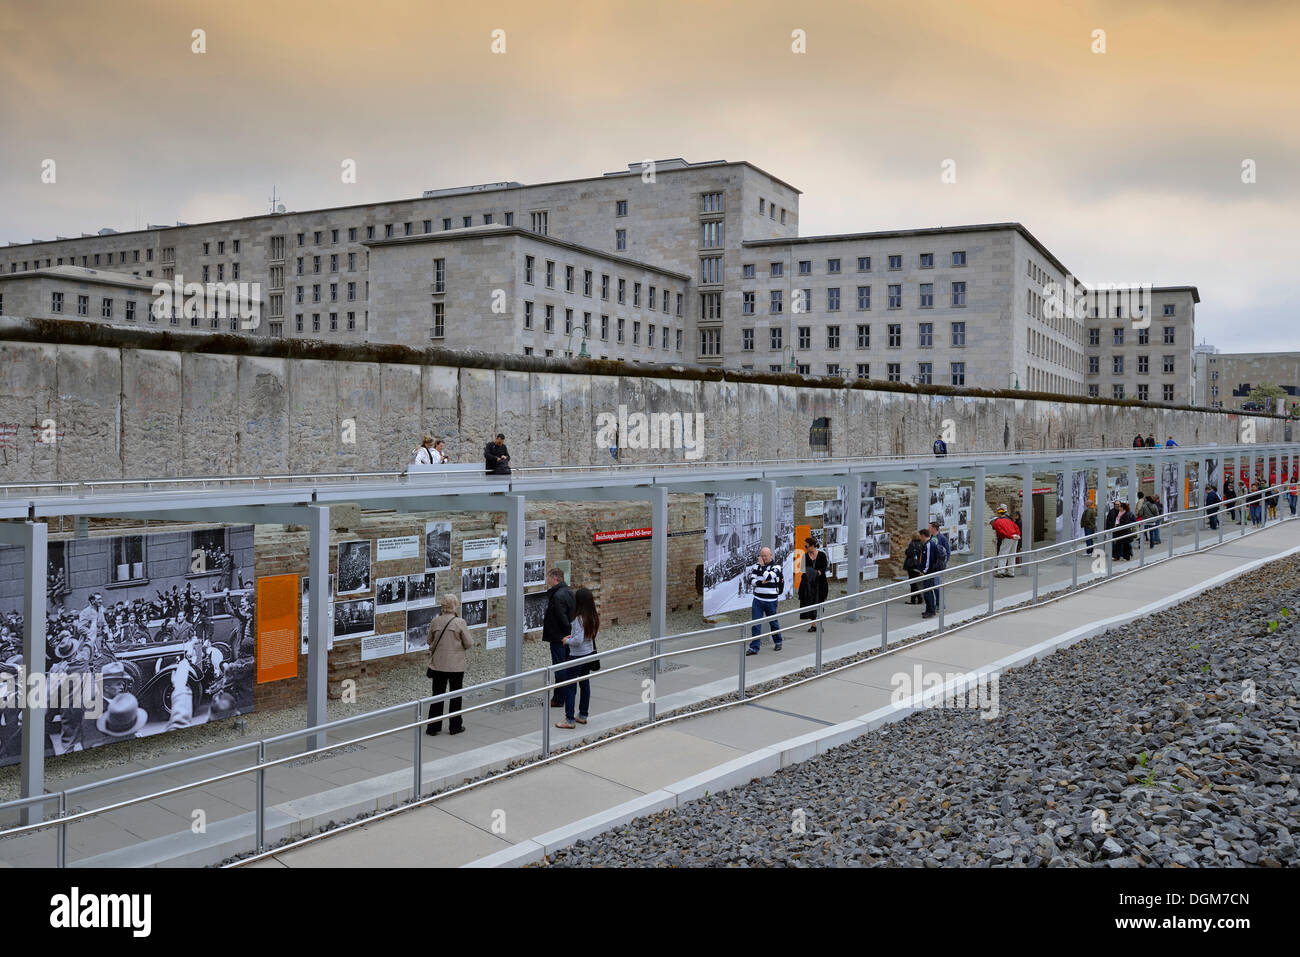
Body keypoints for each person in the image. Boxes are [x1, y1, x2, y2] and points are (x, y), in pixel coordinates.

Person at [425, 595, 474, 735]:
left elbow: (429, 641)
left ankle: (433, 727)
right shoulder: (460, 622)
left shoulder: (435, 621)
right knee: (455, 696)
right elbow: (469, 643)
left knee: (437, 695)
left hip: (438, 665)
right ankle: (455, 726)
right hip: (456, 666)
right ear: (455, 605)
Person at [555, 588, 599, 730]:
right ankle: (583, 715)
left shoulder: (579, 618)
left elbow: (578, 640)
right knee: (584, 684)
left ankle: (569, 719)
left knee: (570, 686)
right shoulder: (592, 616)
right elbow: (587, 636)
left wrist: (567, 641)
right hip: (588, 654)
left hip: (576, 656)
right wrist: (572, 637)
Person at [542, 568, 575, 707]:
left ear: (555, 578)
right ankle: (569, 696)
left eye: (549, 578)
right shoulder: (569, 592)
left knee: (560, 667)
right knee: (568, 665)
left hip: (559, 638)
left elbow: (562, 618)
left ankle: (559, 699)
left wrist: (565, 634)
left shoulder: (557, 596)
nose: (547, 580)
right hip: (567, 636)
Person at [745, 546, 784, 656]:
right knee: (756, 623)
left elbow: (768, 576)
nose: (763, 558)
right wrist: (760, 583)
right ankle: (754, 648)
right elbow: (751, 580)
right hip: (757, 599)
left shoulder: (776, 566)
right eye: (762, 556)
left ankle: (778, 641)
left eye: (765, 556)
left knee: (773, 622)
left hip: (771, 600)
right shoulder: (756, 566)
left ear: (770, 555)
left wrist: (763, 569)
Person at [798, 537, 829, 629]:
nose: (805, 548)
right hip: (810, 584)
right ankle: (814, 624)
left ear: (812, 546)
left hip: (821, 583)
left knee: (819, 603)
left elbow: (824, 567)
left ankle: (819, 623)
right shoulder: (805, 556)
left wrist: (819, 572)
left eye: (806, 546)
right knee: (811, 603)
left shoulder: (822, 555)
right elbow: (802, 570)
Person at [918, 528, 943, 619]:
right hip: (928, 572)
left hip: (928, 572)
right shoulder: (928, 544)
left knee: (928, 591)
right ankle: (928, 609)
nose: (920, 538)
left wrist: (924, 572)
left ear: (923, 535)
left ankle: (931, 611)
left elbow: (928, 560)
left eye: (920, 536)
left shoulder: (929, 545)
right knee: (926, 592)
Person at [991, 507, 1020, 577]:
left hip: (1008, 538)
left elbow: (1001, 532)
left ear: (998, 513)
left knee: (1003, 554)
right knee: (1012, 555)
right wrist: (1017, 535)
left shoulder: (997, 522)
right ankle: (1011, 572)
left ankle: (1000, 571)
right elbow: (1016, 527)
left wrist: (1010, 536)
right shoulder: (1009, 520)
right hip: (1015, 537)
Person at [903, 532, 926, 602]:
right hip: (919, 565)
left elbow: (908, 553)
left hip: (912, 566)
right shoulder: (922, 544)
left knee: (912, 583)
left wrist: (906, 551)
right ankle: (919, 598)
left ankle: (914, 599)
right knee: (916, 582)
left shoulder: (912, 544)